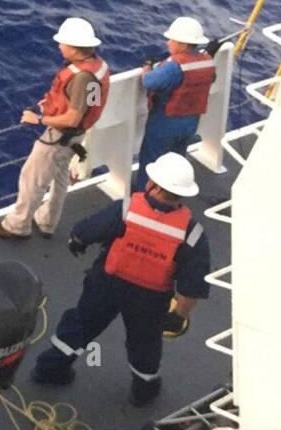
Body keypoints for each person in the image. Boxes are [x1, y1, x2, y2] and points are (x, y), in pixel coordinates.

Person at [31, 152, 211, 406]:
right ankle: (143, 390)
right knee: (145, 343)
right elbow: (192, 286)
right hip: (150, 299)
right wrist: (179, 313)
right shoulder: (192, 233)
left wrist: (77, 242)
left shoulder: (126, 209)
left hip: (106, 285)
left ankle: (49, 370)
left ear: (155, 185)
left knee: (81, 325)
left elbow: (85, 231)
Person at [0, 17, 110, 240]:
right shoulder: (98, 69)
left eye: (63, 43)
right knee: (59, 180)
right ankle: (47, 222)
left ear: (76, 49)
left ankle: (17, 226)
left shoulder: (81, 78)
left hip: (61, 138)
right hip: (76, 139)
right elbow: (89, 106)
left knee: (32, 179)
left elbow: (72, 118)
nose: (59, 46)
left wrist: (38, 119)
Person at [136, 16, 216, 191]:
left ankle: (144, 199)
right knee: (177, 160)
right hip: (190, 123)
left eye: (171, 39)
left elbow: (149, 82)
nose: (168, 43)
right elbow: (211, 76)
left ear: (182, 43)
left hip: (166, 123)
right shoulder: (207, 61)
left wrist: (147, 66)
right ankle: (170, 192)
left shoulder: (175, 66)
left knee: (152, 162)